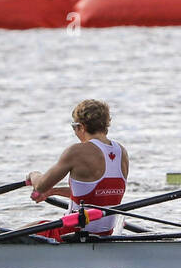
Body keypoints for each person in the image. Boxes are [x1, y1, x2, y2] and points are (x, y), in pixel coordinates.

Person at [27, 99, 129, 240]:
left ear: (81, 127)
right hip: (106, 234)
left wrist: (33, 175)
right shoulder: (121, 152)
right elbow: (100, 195)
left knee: (19, 232)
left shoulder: (77, 151)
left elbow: (40, 186)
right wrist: (54, 191)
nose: (75, 132)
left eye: (74, 127)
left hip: (74, 232)